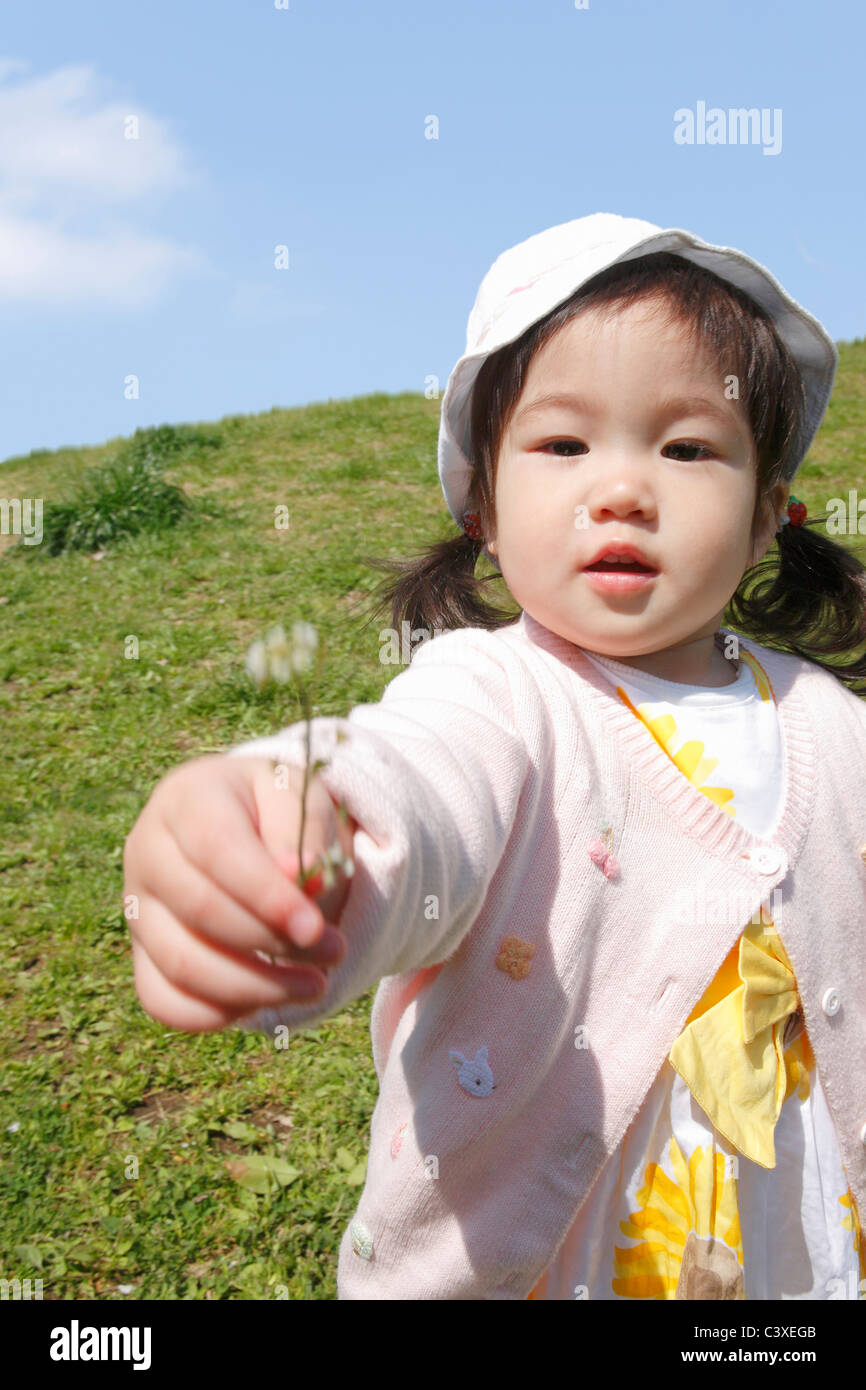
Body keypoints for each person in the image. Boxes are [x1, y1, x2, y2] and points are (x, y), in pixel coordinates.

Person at [124, 212, 866, 1300]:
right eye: (562, 444)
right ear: (481, 503)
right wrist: (301, 831)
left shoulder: (828, 722)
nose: (620, 488)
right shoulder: (499, 695)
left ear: (765, 517)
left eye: (687, 447)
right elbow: (414, 791)